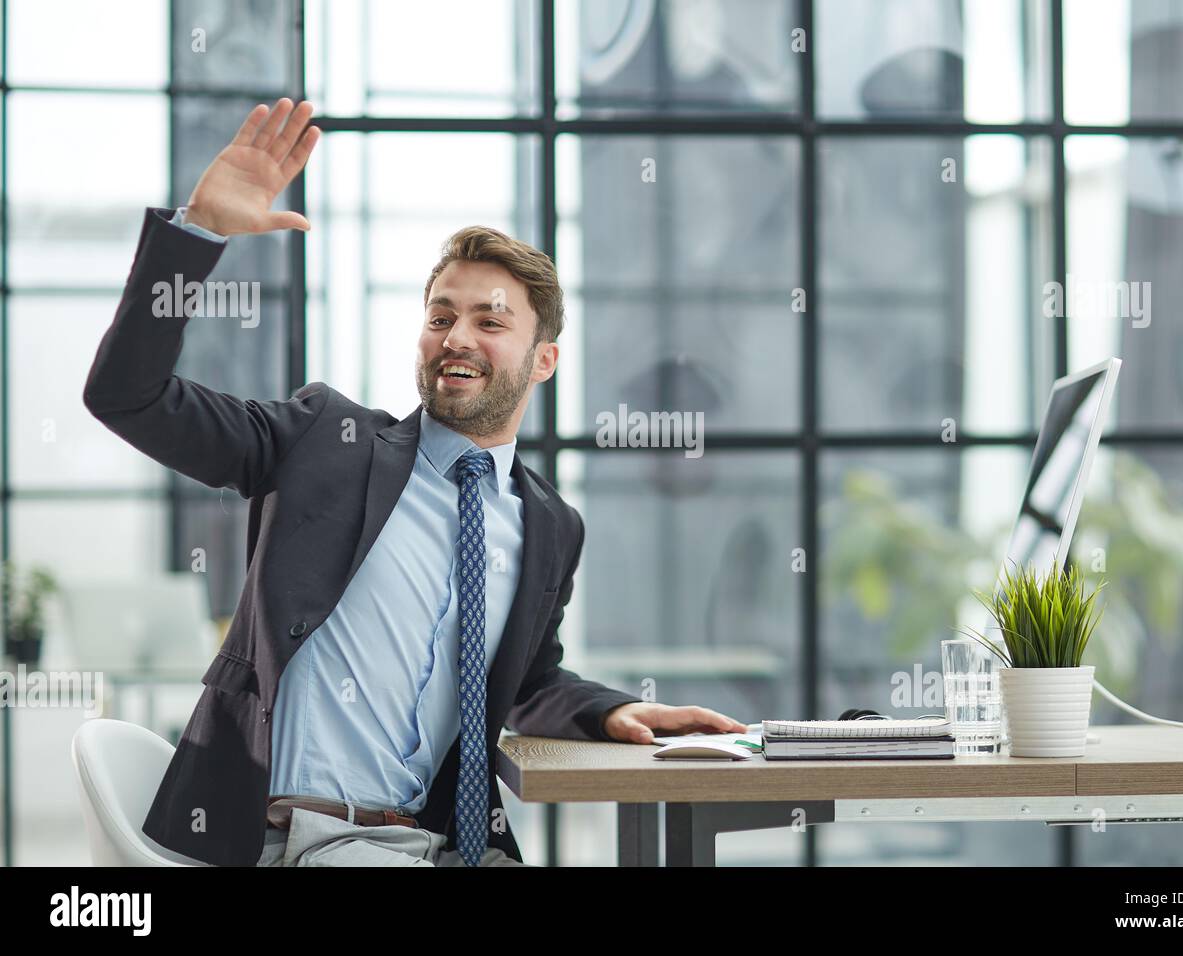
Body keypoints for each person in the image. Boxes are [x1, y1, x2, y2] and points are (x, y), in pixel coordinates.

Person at [83, 98, 747, 867]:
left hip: (431, 843)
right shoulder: (322, 441)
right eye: (441, 316)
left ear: (543, 361)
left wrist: (618, 709)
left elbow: (526, 682)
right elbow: (126, 397)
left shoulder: (549, 524)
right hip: (289, 838)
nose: (457, 337)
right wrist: (197, 232)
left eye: (490, 322)